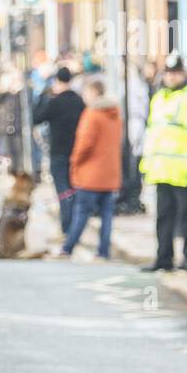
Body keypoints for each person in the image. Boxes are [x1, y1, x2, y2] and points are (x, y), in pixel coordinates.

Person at [140, 54, 187, 272]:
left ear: (182, 74)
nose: (171, 77)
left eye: (175, 73)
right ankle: (164, 258)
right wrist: (146, 164)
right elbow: (153, 134)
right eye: (168, 73)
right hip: (161, 170)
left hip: (183, 171)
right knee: (163, 217)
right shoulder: (159, 97)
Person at [60, 79, 121, 260]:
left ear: (94, 92)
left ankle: (68, 247)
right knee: (107, 216)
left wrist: (74, 162)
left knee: (81, 213)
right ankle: (103, 251)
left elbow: (84, 144)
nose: (84, 97)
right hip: (110, 174)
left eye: (86, 93)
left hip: (91, 174)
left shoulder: (92, 114)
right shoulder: (115, 114)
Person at [32, 67, 85, 236]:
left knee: (62, 192)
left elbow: (36, 117)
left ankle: (66, 228)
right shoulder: (79, 101)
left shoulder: (55, 102)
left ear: (57, 81)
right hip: (76, 152)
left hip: (58, 152)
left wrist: (42, 96)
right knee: (74, 190)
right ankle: (75, 227)